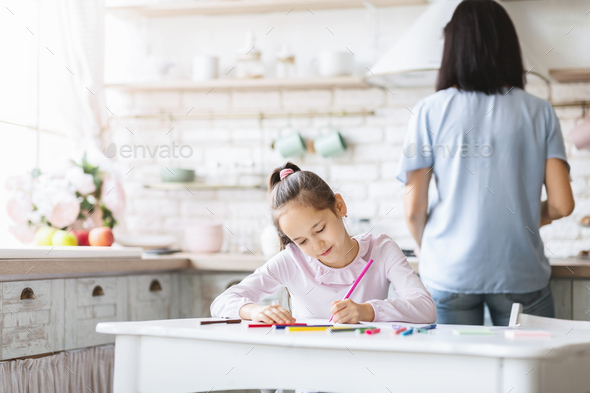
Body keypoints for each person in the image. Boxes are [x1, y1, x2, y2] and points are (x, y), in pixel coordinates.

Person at [397, 0, 575, 326]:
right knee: (532, 375)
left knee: (458, 376)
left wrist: (429, 250)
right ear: (509, 46)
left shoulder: (428, 110)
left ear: (452, 48)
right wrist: (519, 216)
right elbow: (563, 205)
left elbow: (413, 209)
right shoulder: (540, 111)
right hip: (520, 272)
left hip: (449, 272)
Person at [211, 162, 436, 324]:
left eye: (320, 229)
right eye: (301, 241)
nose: (317, 246)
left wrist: (367, 311)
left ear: (339, 206)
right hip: (310, 375)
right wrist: (253, 311)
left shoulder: (381, 249)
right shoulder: (291, 260)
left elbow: (425, 309)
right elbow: (221, 303)